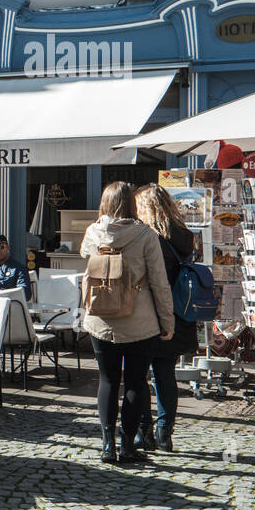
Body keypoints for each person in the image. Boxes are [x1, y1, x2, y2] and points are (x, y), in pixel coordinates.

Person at [79, 181, 174, 465]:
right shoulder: (146, 234)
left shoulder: (93, 232)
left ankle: (107, 444)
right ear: (132, 204)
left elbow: (86, 260)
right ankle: (127, 446)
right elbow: (159, 282)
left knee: (107, 380)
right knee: (135, 382)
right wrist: (167, 320)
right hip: (139, 320)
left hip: (100, 318)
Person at [135, 185, 198, 453]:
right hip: (178, 314)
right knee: (165, 375)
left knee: (139, 375)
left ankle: (144, 430)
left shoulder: (148, 238)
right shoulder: (183, 235)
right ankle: (165, 433)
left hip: (150, 314)